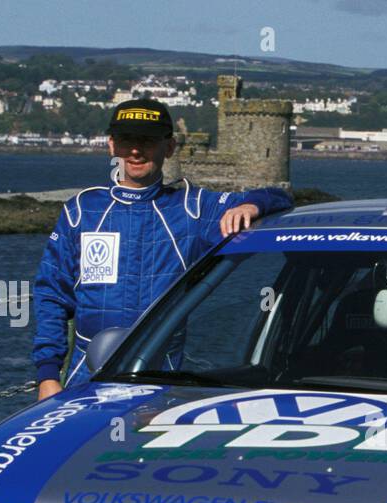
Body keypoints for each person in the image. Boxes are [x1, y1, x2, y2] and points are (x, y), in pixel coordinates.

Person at [31, 98, 293, 398]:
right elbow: (51, 295)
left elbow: (278, 195)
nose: (136, 150)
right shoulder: (81, 211)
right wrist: (47, 375)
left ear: (168, 148)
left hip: (162, 383)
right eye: (128, 139)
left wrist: (251, 204)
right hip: (85, 380)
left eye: (148, 140)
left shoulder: (192, 210)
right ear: (112, 145)